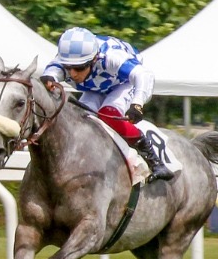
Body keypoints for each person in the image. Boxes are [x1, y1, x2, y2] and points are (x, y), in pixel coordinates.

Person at [40, 26, 174, 182]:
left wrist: (137, 104)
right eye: (68, 68)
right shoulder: (68, 57)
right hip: (95, 87)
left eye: (79, 68)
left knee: (109, 114)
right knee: (78, 118)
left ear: (94, 59)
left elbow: (144, 75)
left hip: (123, 83)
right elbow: (51, 73)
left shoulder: (111, 57)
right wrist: (49, 78)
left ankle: (155, 162)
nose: (73, 74)